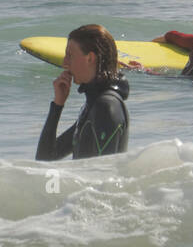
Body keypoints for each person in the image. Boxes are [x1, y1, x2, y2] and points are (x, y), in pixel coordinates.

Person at [36, 24, 130, 160]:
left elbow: (104, 173)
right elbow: (44, 159)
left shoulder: (106, 106)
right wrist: (58, 105)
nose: (64, 63)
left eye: (69, 56)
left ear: (90, 58)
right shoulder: (93, 104)